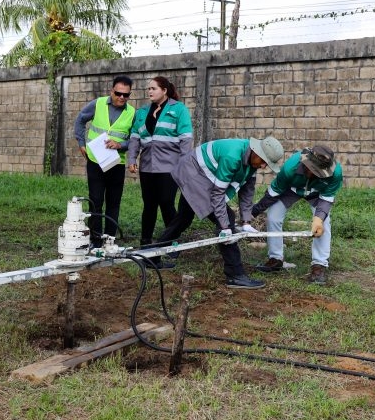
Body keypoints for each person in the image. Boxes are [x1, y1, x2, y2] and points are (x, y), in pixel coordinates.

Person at [155, 136, 286, 289]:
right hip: (193, 173)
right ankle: (235, 275)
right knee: (227, 218)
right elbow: (217, 195)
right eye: (263, 161)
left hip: (201, 174)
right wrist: (225, 227)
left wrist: (246, 221)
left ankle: (151, 255)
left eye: (267, 164)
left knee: (184, 218)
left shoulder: (251, 161)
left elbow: (247, 192)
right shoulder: (233, 157)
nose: (263, 166)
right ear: (256, 151)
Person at [252, 145, 343, 285]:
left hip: (317, 193)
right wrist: (254, 212)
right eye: (313, 170)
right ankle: (275, 259)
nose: (315, 174)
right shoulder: (290, 167)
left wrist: (318, 219)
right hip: (291, 190)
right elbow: (274, 192)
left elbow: (327, 198)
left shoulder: (335, 173)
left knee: (323, 223)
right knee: (273, 217)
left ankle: (319, 265)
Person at [126, 76, 194, 246]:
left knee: (166, 202)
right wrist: (132, 158)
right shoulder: (142, 112)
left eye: (153, 88)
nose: (150, 91)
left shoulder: (178, 109)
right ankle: (145, 241)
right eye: (148, 89)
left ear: (164, 91)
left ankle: (172, 242)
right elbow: (134, 138)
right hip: (147, 167)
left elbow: (186, 138)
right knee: (149, 205)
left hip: (170, 166)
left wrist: (184, 164)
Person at [74, 75, 136, 247]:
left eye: (126, 95)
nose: (121, 97)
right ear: (111, 91)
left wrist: (120, 144)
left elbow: (135, 139)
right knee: (96, 201)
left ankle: (109, 239)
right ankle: (95, 239)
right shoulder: (98, 104)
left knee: (113, 203)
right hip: (95, 161)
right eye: (118, 93)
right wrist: (81, 143)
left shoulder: (132, 113)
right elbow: (80, 120)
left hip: (116, 163)